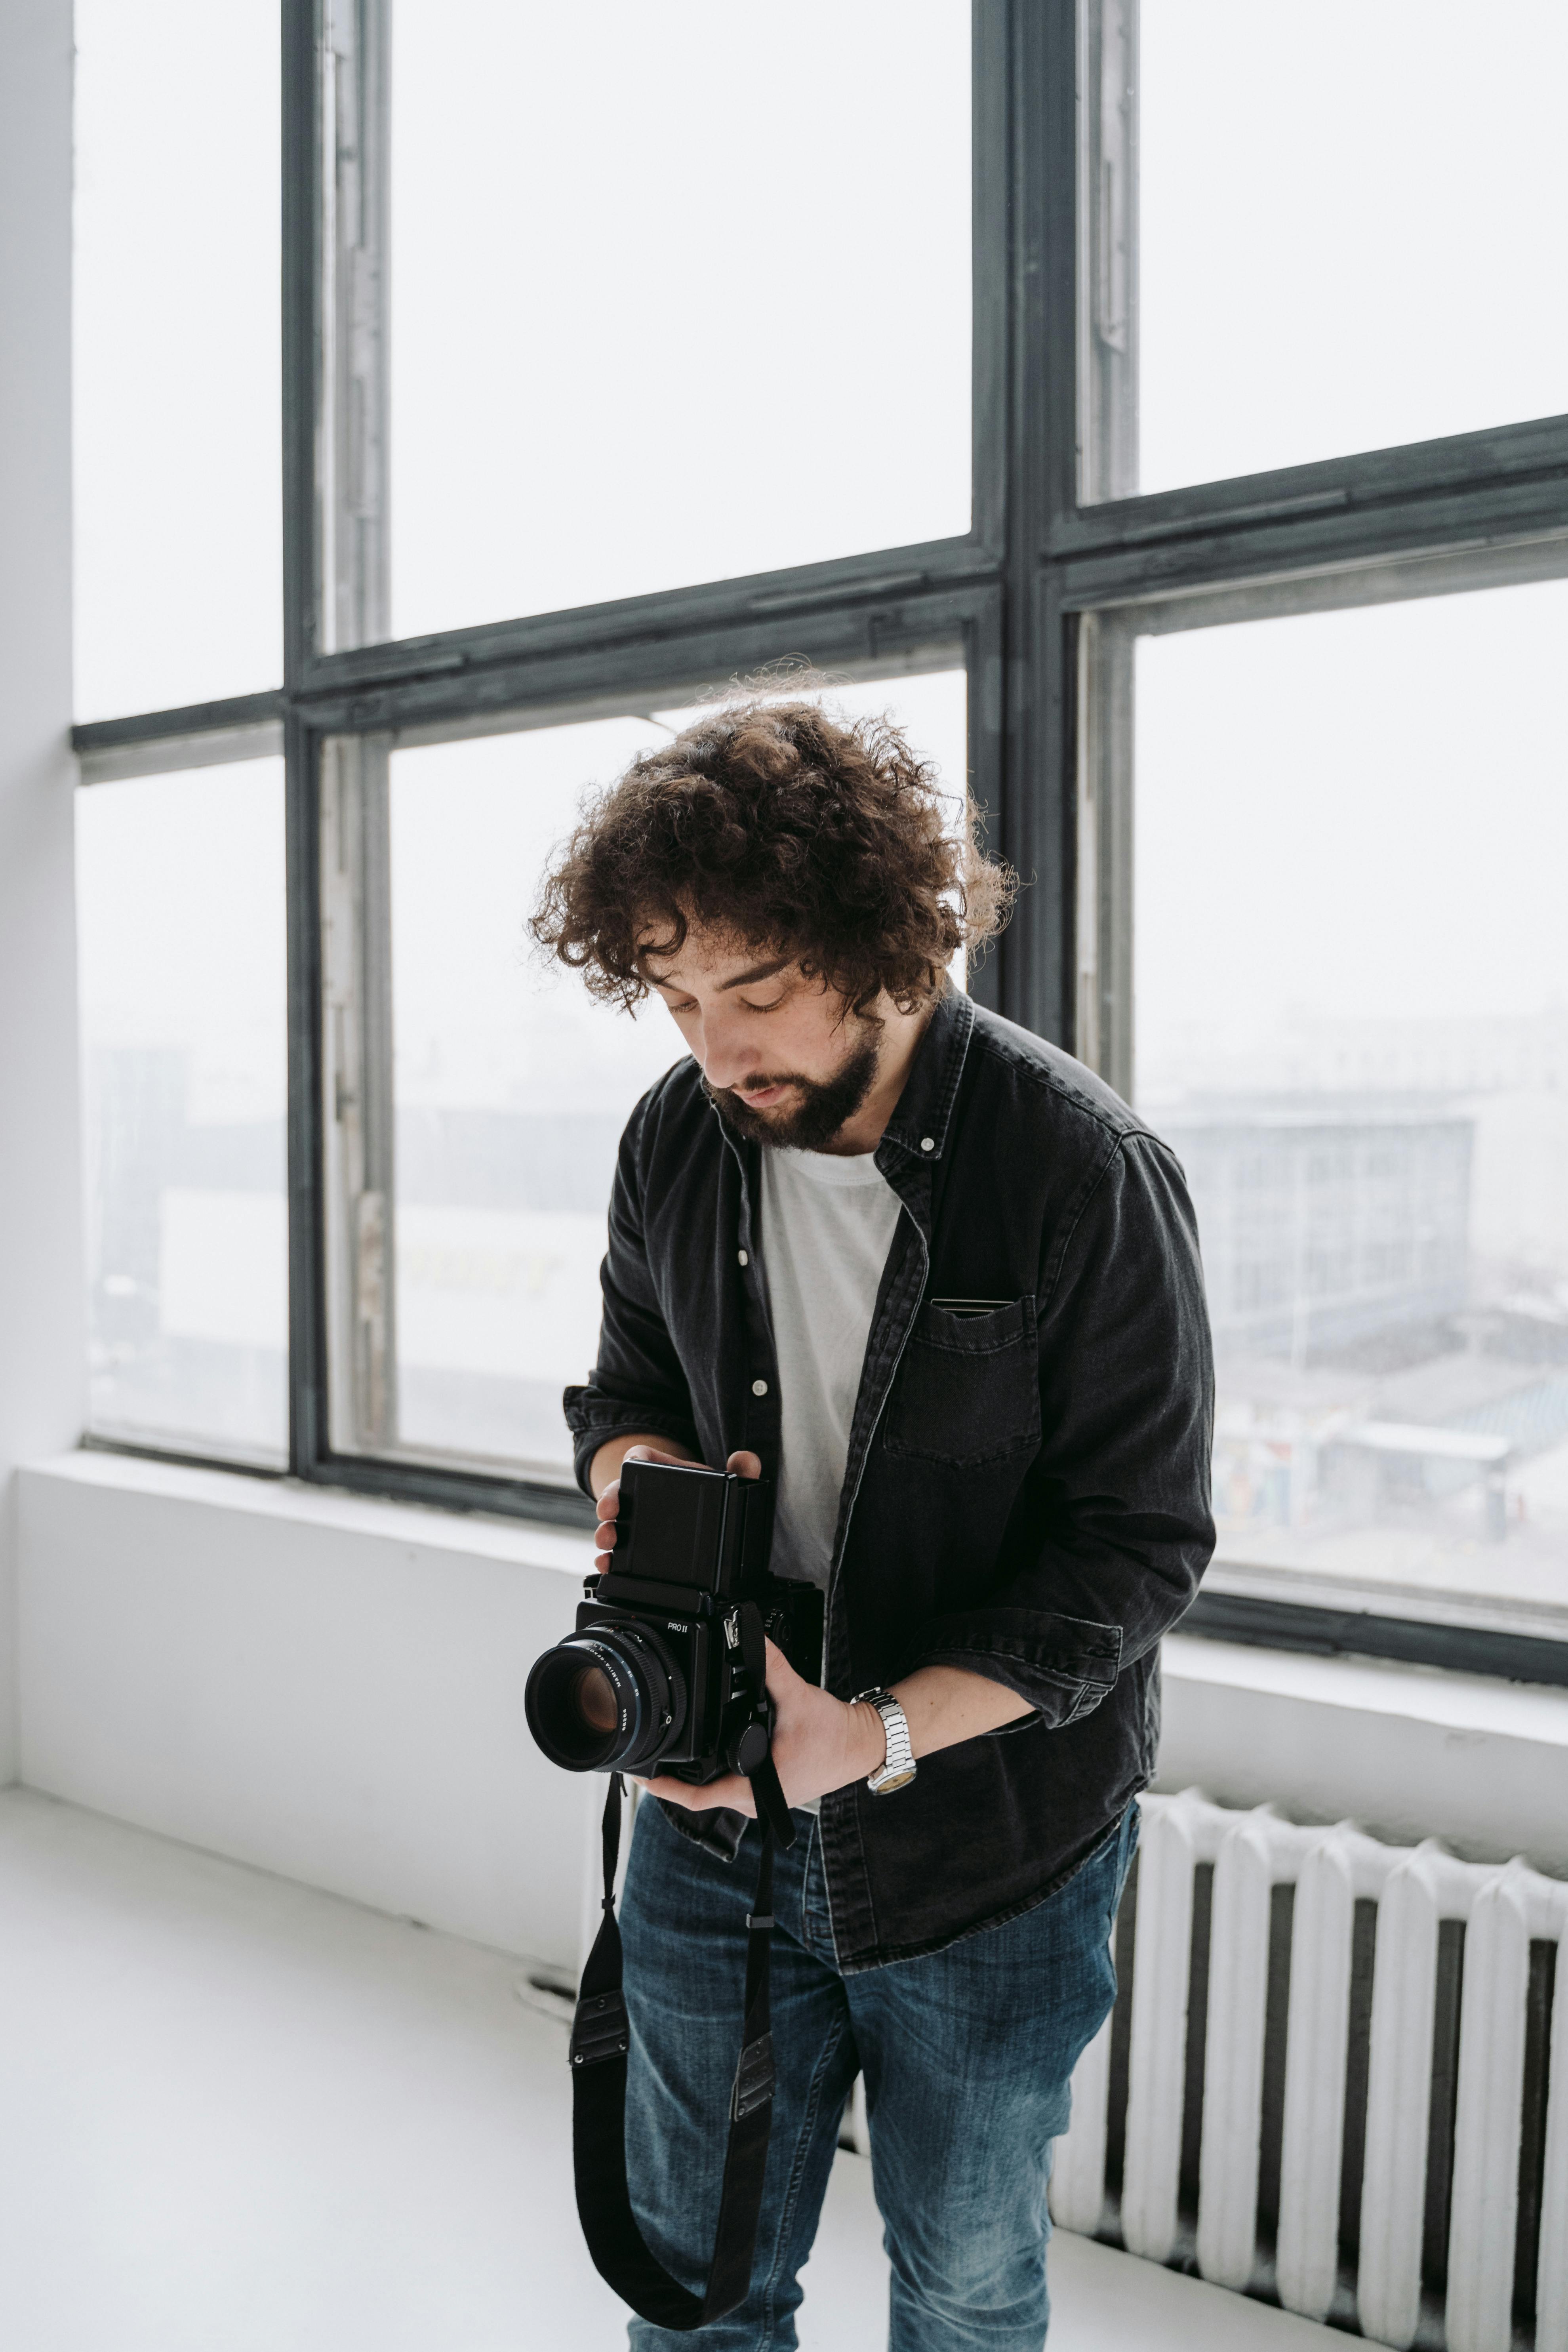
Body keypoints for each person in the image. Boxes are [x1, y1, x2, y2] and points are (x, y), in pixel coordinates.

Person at [532, 690, 1215, 2351]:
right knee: (696, 2289)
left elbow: (1139, 1545)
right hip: (711, 1815)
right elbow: (623, 1390)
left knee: (966, 2292)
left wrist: (876, 1733)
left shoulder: (1080, 1168)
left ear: (887, 940)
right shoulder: (677, 1137)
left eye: (757, 990)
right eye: (679, 1000)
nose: (716, 1051)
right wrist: (642, 1497)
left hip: (986, 1852)